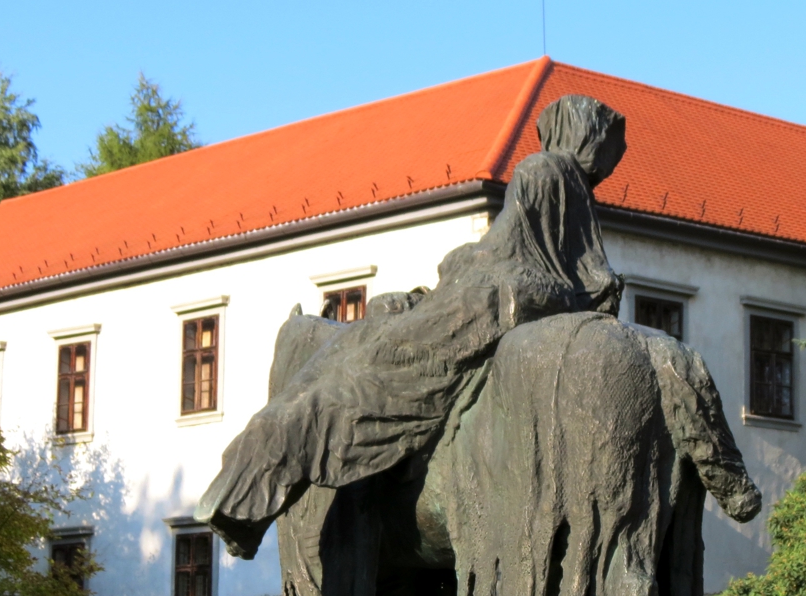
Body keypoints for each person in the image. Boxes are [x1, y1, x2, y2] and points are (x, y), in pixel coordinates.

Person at [196, 95, 627, 557]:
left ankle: (241, 500)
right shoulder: (573, 188)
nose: (607, 158)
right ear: (591, 137)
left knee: (351, 380)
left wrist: (444, 283)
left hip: (479, 304)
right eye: (607, 146)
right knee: (353, 373)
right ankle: (247, 490)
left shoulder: (541, 170)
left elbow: (502, 253)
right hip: (489, 299)